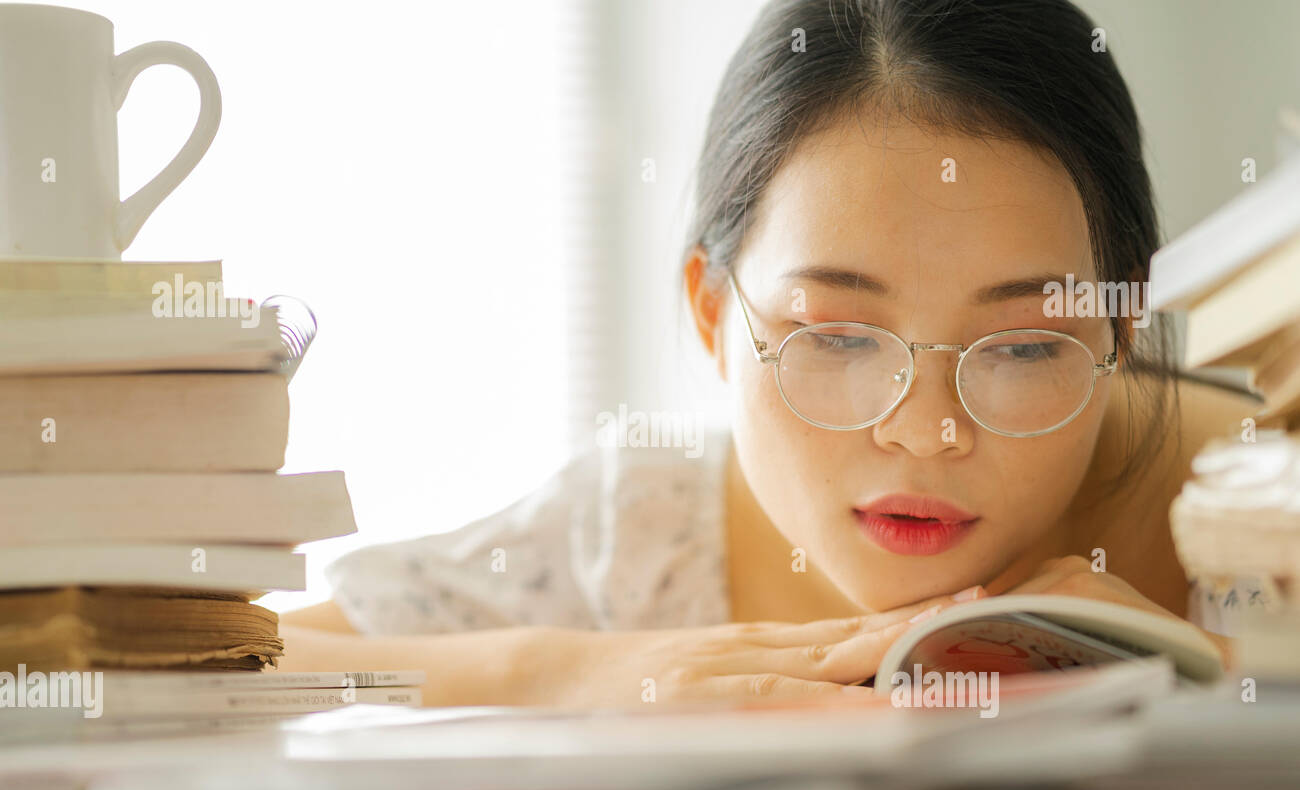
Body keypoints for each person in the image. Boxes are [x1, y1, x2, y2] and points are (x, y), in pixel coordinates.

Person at [279, 0, 1259, 707]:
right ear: (712, 314)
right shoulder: (643, 534)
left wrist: (1232, 676)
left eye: (1021, 344)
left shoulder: (1267, 495)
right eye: (834, 334)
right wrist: (569, 670)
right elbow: (177, 665)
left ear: (1122, 322)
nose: (923, 431)